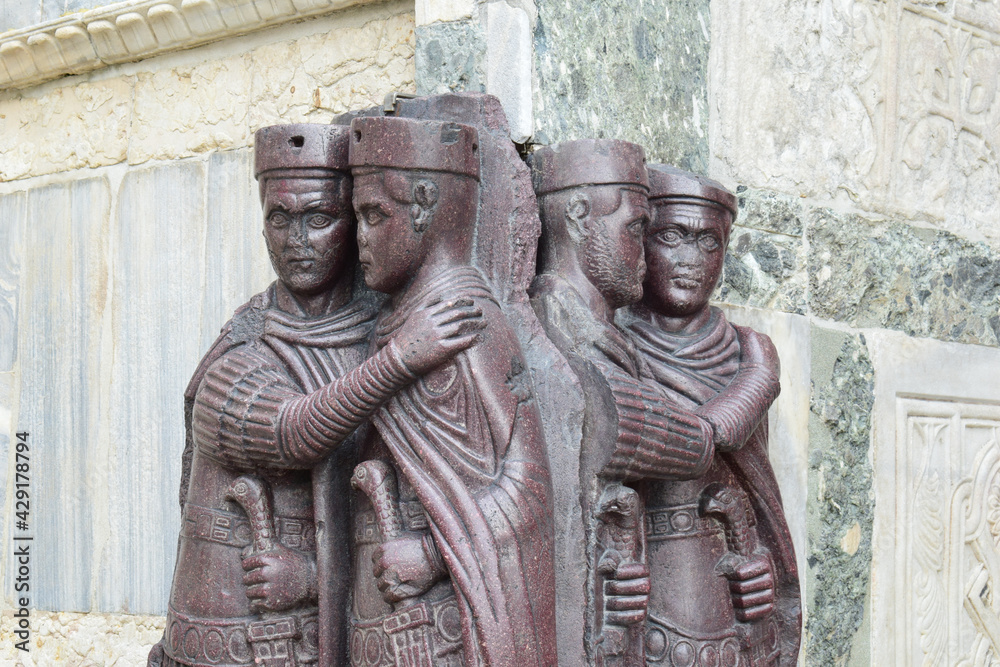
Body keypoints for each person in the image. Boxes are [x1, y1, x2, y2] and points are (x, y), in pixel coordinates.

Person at [149, 123, 481, 667]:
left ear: (354, 225)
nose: (295, 240)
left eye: (319, 219)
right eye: (279, 219)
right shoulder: (243, 351)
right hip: (232, 639)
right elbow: (293, 432)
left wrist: (314, 577)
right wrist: (400, 362)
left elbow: (461, 489)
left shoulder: (385, 328)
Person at [346, 115, 557, 667]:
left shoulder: (466, 322)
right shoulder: (401, 324)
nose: (359, 239)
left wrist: (433, 553)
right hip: (388, 619)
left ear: (424, 206)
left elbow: (531, 486)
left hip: (444, 622)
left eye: (374, 216)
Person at [529, 139, 717, 665]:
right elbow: (630, 431)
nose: (647, 250)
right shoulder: (554, 329)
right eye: (636, 229)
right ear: (580, 217)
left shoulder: (604, 336)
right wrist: (752, 384)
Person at [619, 164, 801, 666]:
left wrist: (761, 566)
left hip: (722, 594)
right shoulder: (611, 347)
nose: (690, 260)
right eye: (672, 236)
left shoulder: (747, 350)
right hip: (646, 594)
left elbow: (756, 490)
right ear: (639, 240)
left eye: (709, 242)